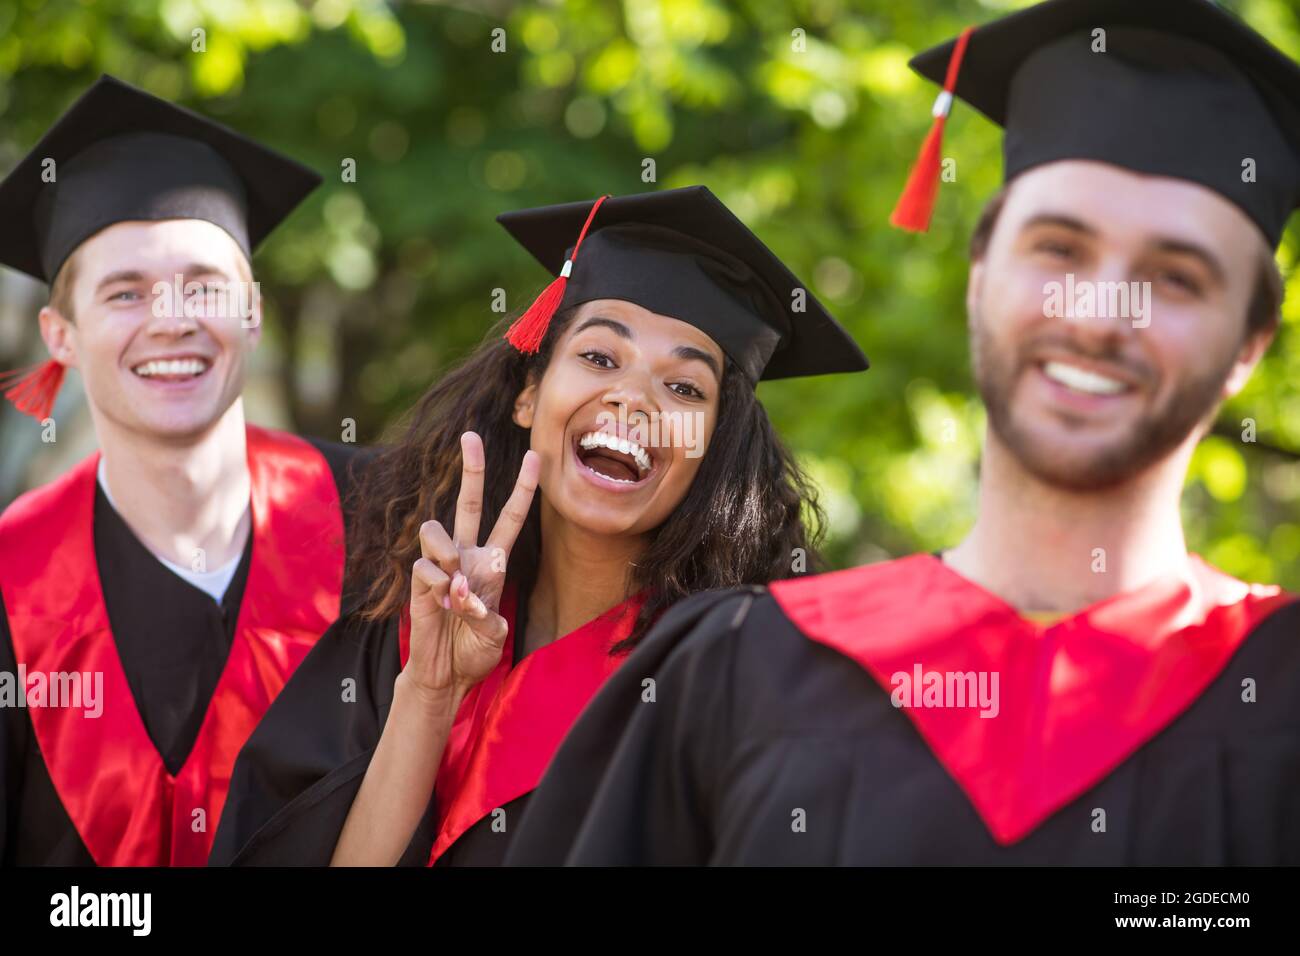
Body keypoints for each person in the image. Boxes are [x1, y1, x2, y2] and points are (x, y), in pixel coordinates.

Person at [506, 0, 1300, 866]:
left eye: (1176, 278)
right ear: (980, 275)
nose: (1100, 312)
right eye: (1060, 250)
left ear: (1249, 347)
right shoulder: (734, 674)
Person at [208, 185, 869, 866]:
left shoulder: (728, 691)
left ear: (711, 451)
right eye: (600, 358)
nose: (632, 397)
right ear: (529, 394)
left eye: (683, 388)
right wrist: (429, 696)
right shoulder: (404, 625)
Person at [0, 76, 362, 865]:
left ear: (254, 312)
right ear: (60, 334)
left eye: (204, 285)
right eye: (125, 292)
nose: (172, 319)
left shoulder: (387, 522)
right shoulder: (10, 579)